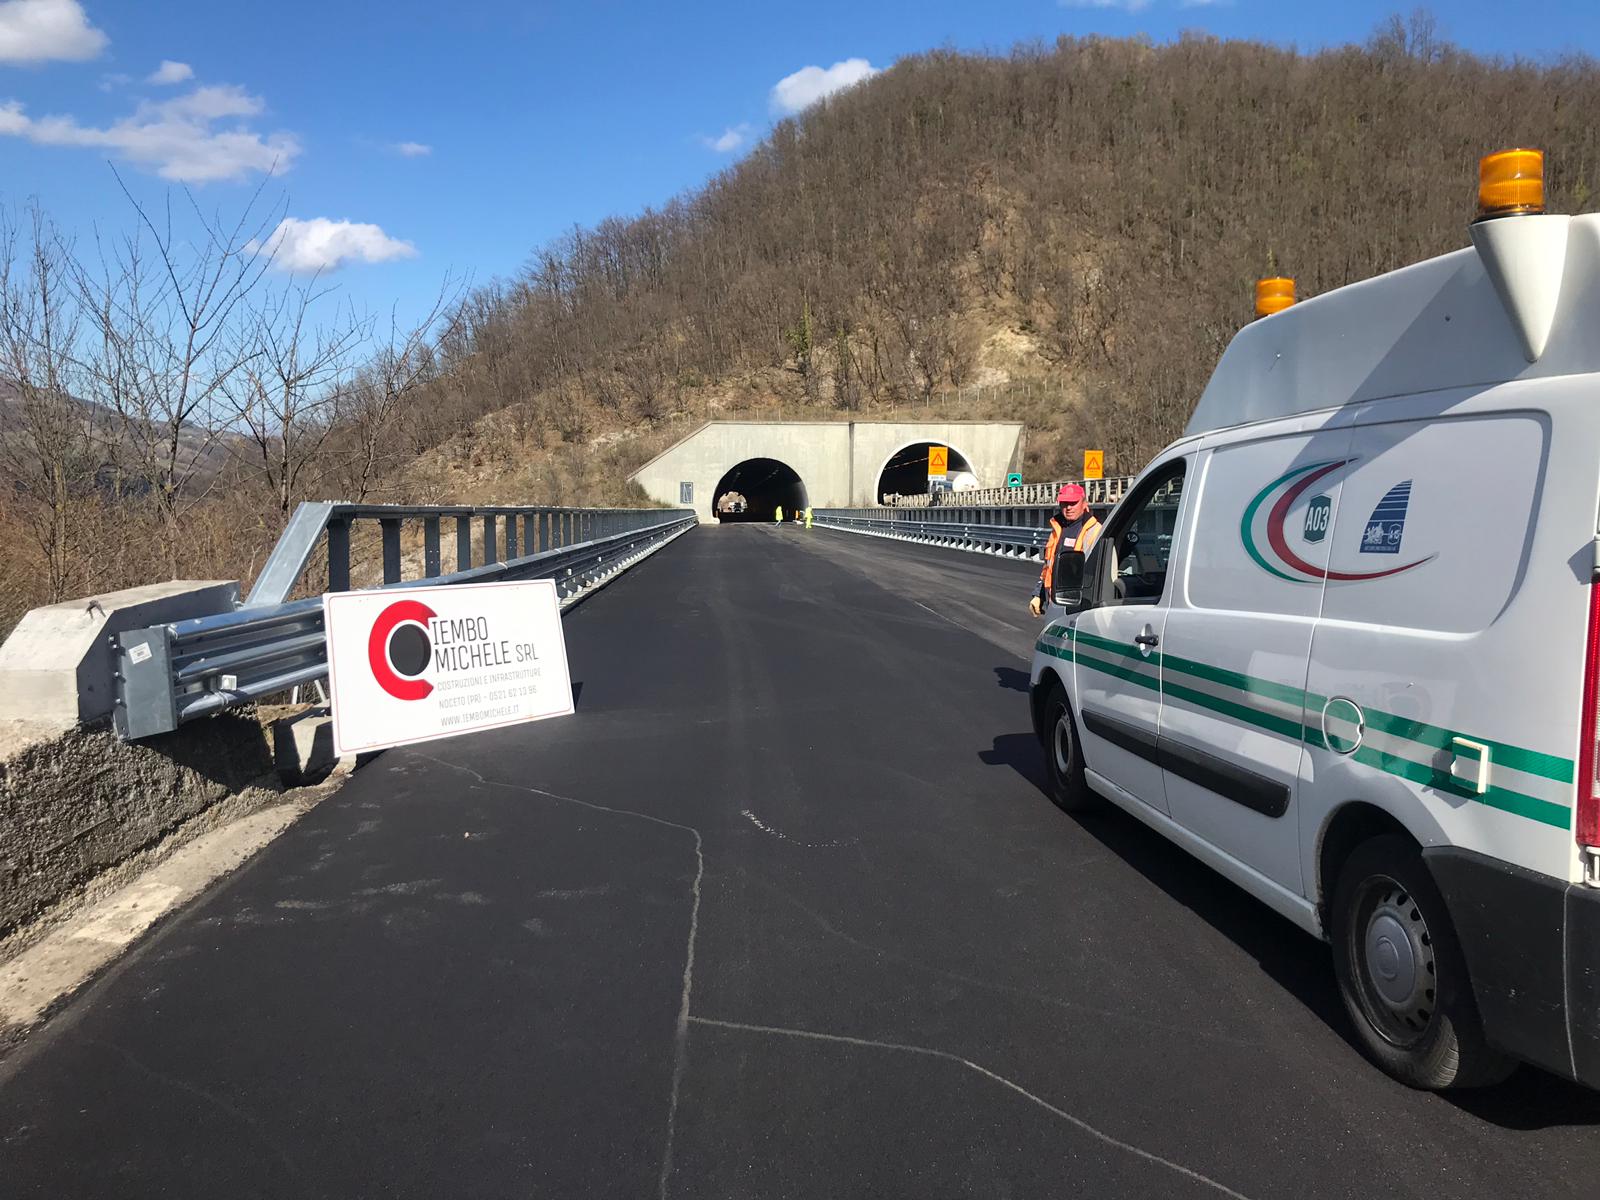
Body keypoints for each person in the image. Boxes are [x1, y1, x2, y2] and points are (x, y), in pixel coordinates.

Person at [1030, 483, 1102, 617]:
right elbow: (1049, 566)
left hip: (1077, 606)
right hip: (1055, 602)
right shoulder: (1057, 529)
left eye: (1073, 503)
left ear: (1084, 503)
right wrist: (1039, 594)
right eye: (1064, 503)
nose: (1068, 507)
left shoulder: (1094, 530)